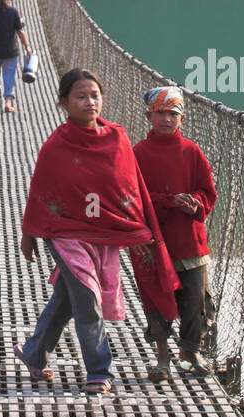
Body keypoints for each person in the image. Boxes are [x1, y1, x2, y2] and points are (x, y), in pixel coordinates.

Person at [16, 69, 180, 395]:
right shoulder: (55, 146)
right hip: (65, 234)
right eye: (80, 96)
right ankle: (98, 370)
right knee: (88, 299)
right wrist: (29, 231)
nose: (90, 102)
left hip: (104, 234)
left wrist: (137, 230)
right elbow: (42, 191)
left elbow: (130, 188)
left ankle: (34, 352)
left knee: (68, 296)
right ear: (63, 102)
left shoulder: (116, 138)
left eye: (95, 95)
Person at [134, 86, 217, 380]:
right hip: (154, 242)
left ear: (182, 119)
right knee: (157, 298)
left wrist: (195, 202)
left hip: (190, 242)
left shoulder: (191, 151)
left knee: (197, 299)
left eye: (173, 114)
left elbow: (207, 191)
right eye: (160, 113)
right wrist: (168, 201)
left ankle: (189, 352)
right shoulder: (138, 153)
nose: (166, 119)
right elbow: (133, 197)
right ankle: (162, 356)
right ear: (148, 116)